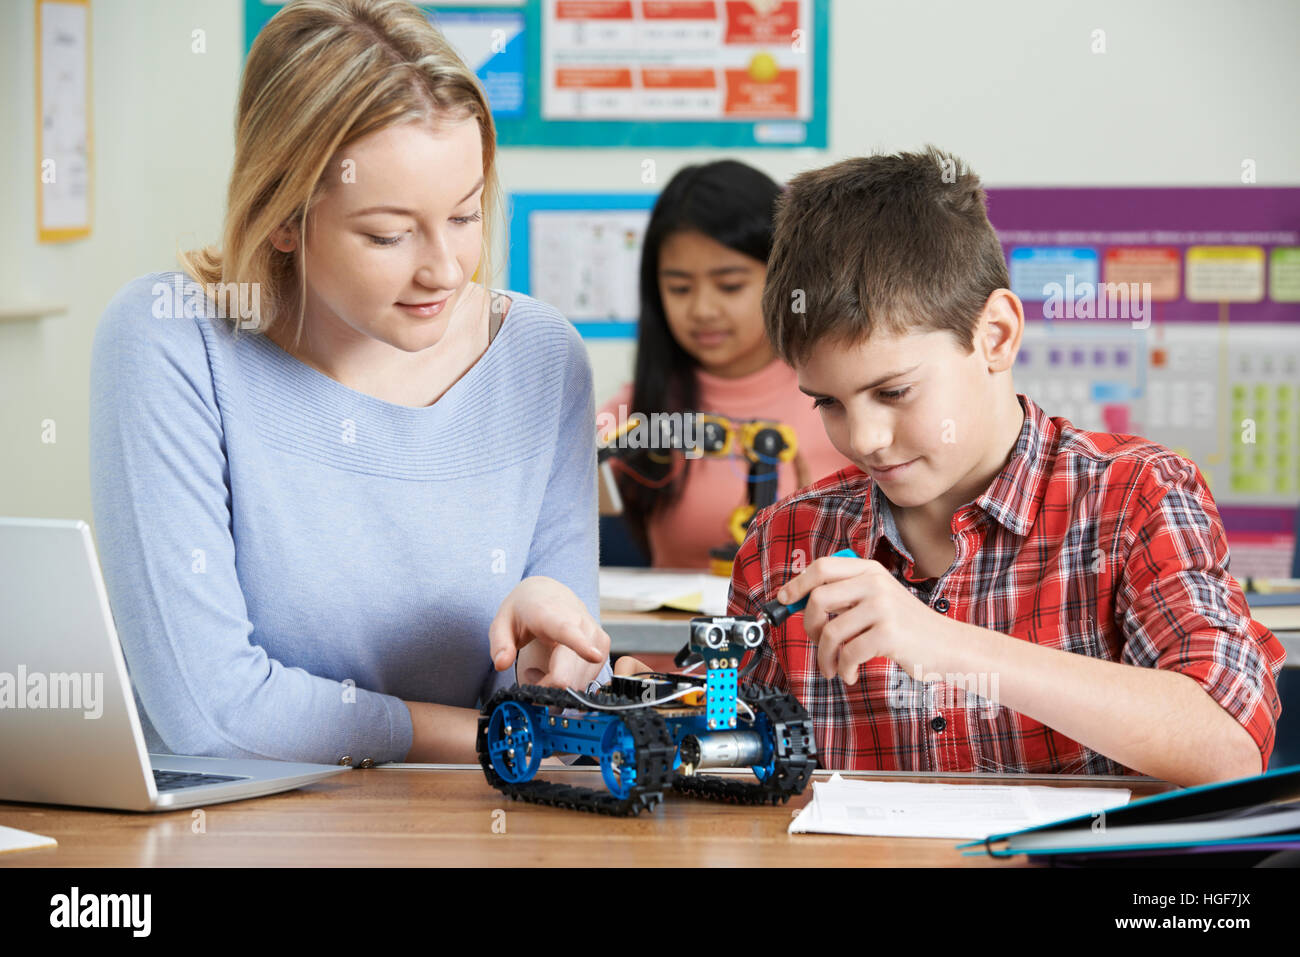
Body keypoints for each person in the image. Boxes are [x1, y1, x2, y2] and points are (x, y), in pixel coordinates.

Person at [88, 0, 610, 768]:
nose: (444, 269)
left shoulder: (540, 358)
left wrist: (541, 670)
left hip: (479, 833)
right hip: (239, 837)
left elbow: (554, 712)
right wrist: (473, 734)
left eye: (465, 216)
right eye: (388, 234)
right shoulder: (170, 340)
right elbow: (211, 713)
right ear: (283, 216)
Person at [718, 146, 1283, 786]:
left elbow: (1228, 744)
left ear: (995, 336)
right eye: (829, 403)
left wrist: (944, 643)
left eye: (894, 392)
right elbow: (730, 763)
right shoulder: (783, 543)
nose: (866, 439)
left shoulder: (1136, 497)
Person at [597, 160, 852, 569]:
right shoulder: (637, 411)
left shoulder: (844, 396)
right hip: (671, 632)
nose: (702, 309)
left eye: (730, 285)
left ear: (784, 277)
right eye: (679, 287)